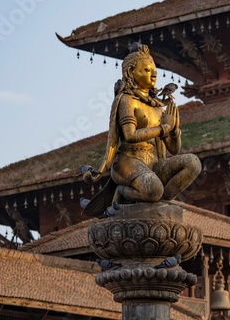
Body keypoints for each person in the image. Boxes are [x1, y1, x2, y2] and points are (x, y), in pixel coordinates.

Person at [81, 43, 201, 216]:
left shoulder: (158, 106)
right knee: (153, 188)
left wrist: (174, 129)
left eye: (155, 72)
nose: (153, 74)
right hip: (128, 161)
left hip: (153, 164)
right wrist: (162, 128)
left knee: (193, 163)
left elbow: (174, 149)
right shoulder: (127, 100)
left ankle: (159, 201)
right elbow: (129, 135)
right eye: (146, 70)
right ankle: (123, 191)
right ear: (131, 72)